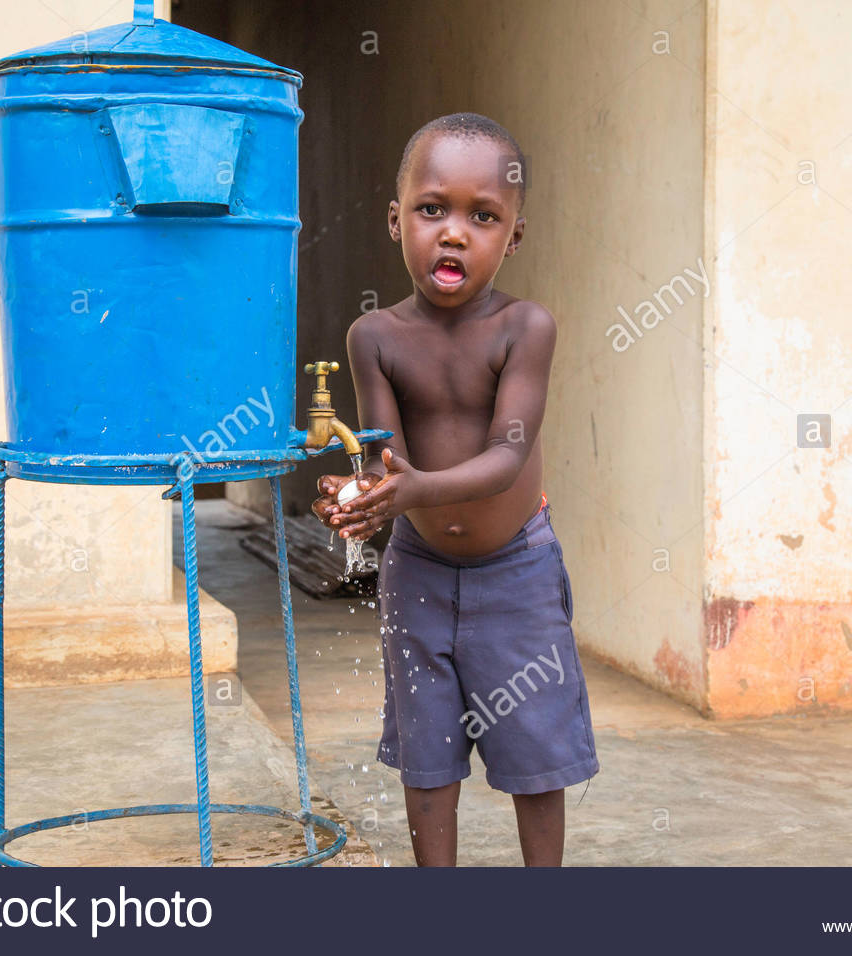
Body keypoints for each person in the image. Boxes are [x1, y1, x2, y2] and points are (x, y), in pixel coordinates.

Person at [311, 112, 599, 867]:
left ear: (515, 236)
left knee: (536, 750)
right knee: (426, 751)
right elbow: (385, 460)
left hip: (518, 572)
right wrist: (358, 493)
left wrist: (406, 490)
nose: (453, 233)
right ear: (395, 219)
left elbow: (507, 455)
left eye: (484, 216)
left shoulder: (524, 328)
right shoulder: (373, 337)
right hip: (420, 574)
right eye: (432, 209)